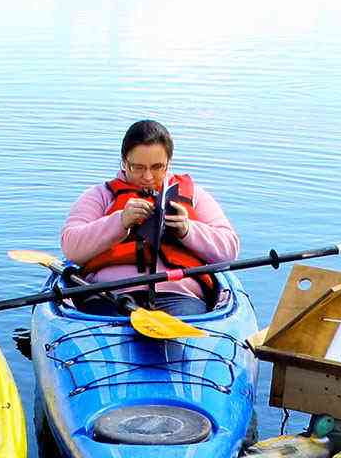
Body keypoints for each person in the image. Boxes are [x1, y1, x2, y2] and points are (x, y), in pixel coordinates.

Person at [60, 119, 241, 317]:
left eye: (157, 167)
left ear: (168, 163)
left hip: (179, 295)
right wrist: (120, 221)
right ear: (124, 161)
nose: (147, 177)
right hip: (109, 294)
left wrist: (188, 230)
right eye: (137, 167)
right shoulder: (100, 195)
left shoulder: (195, 195)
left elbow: (229, 251)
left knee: (182, 331)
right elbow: (71, 248)